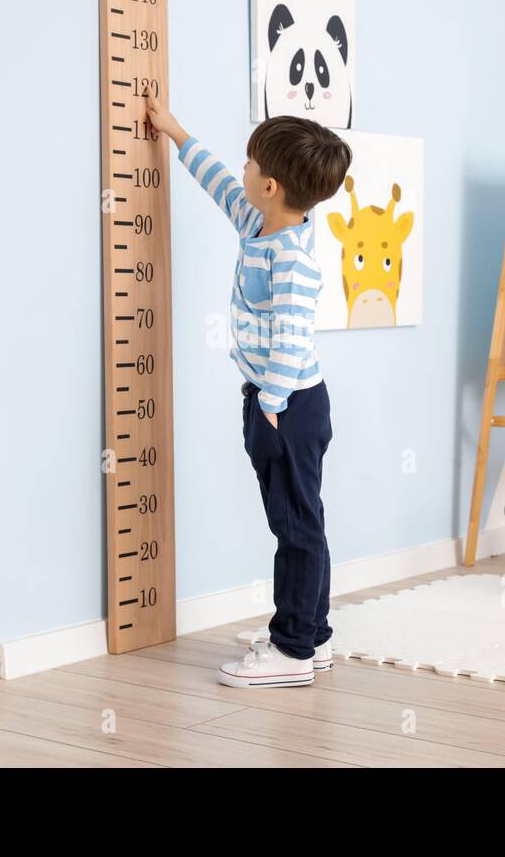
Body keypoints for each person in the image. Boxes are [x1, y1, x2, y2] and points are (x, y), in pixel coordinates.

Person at [145, 96, 351, 687]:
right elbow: (214, 182)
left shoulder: (291, 259)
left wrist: (268, 408)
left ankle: (290, 653)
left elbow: (290, 340)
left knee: (295, 527)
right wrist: (177, 133)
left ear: (271, 185)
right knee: (304, 519)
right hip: (280, 400)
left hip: (287, 405)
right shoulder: (258, 219)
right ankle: (313, 634)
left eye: (250, 164)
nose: (241, 170)